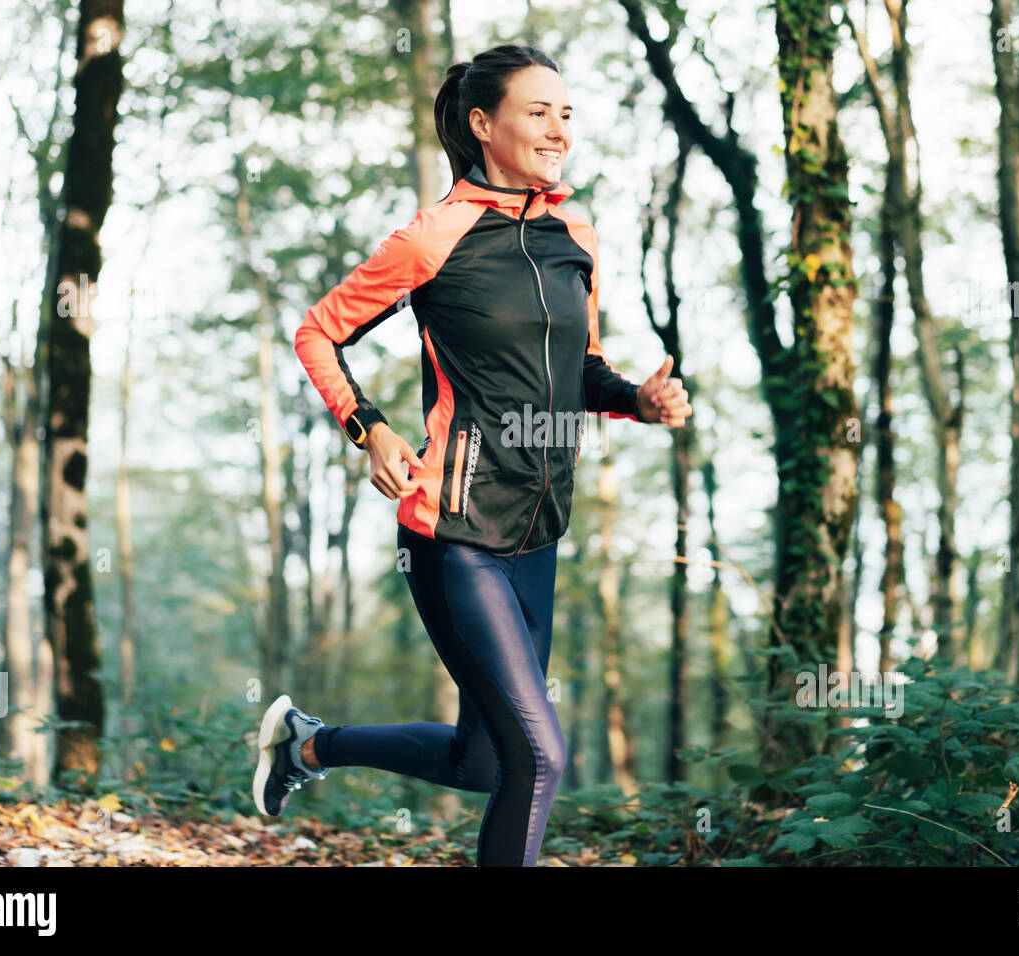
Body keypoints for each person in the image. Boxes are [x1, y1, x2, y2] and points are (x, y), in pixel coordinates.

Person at [252, 43, 692, 867]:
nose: (558, 129)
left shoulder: (575, 234)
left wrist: (637, 400)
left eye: (566, 113)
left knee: (486, 760)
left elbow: (581, 372)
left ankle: (308, 747)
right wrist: (369, 427)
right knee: (540, 758)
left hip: (537, 531)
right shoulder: (434, 237)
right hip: (451, 532)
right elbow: (319, 330)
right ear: (485, 124)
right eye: (539, 112)